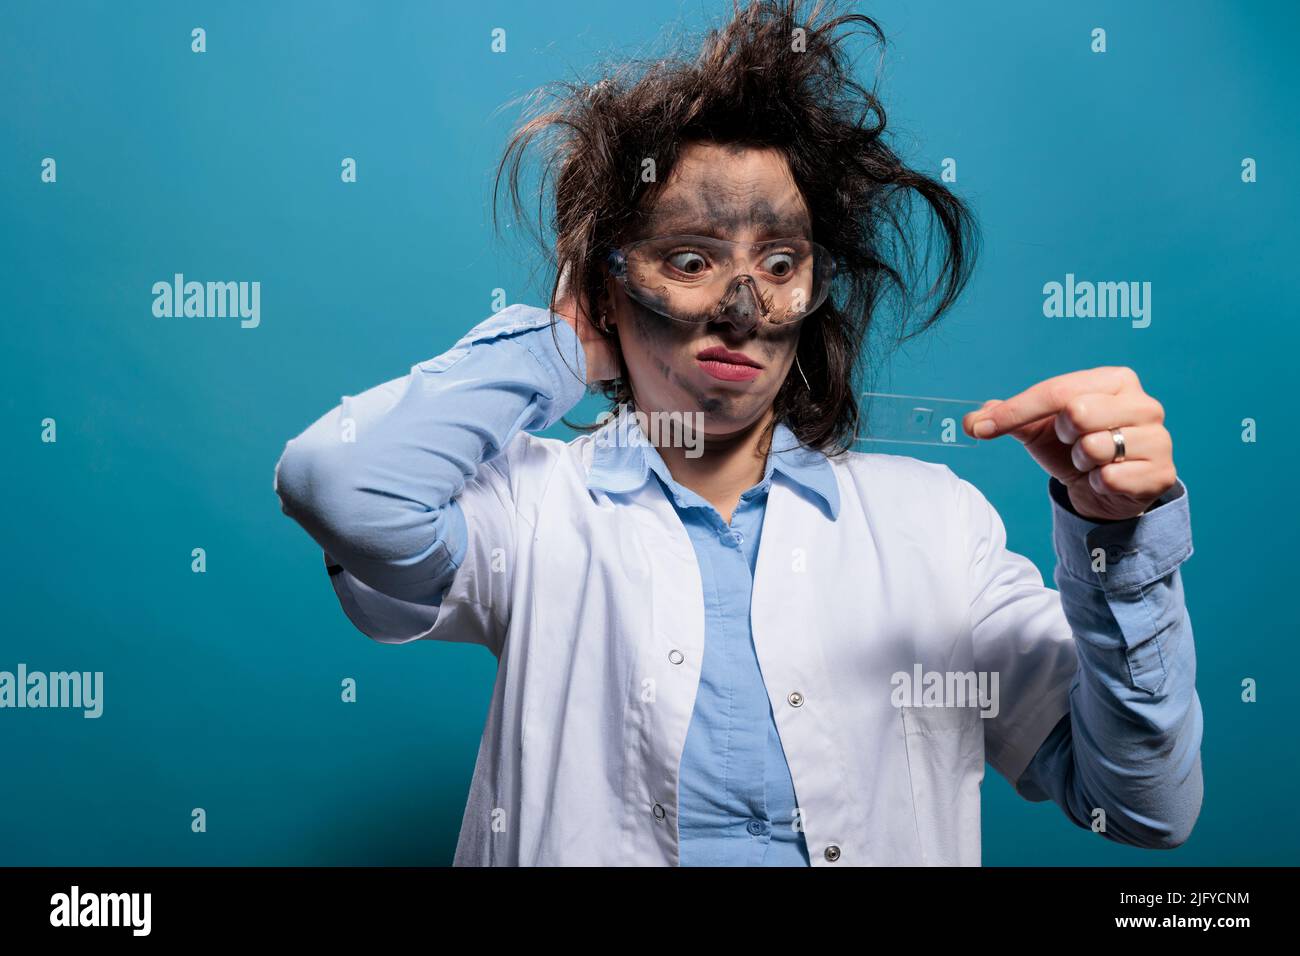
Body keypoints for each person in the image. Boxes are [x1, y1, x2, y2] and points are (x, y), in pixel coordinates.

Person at [273, 0, 1202, 866]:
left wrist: (1120, 541)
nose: (743, 308)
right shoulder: (529, 509)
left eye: (781, 262)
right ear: (607, 289)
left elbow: (1144, 806)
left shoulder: (939, 530)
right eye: (690, 259)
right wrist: (565, 347)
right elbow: (342, 483)